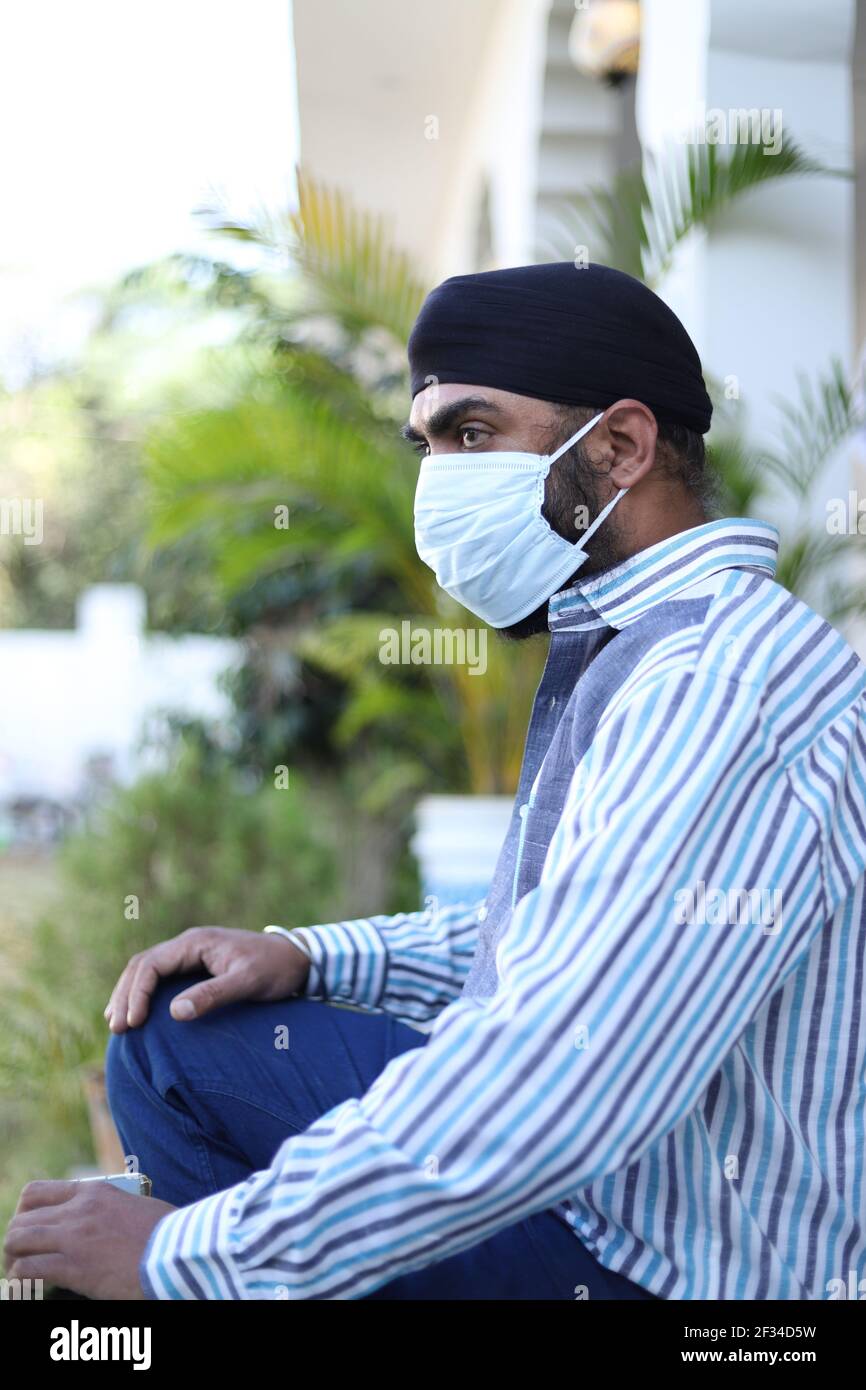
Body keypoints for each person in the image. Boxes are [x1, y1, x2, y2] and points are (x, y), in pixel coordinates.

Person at [5, 262, 865, 1301]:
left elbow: (555, 1082)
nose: (438, 480)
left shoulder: (715, 685)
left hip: (672, 1276)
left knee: (178, 1125)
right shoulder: (645, 640)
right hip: (606, 1210)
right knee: (181, 1028)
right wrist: (311, 958)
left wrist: (183, 1259)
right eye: (426, 445)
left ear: (621, 446)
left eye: (470, 434)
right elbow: (566, 930)